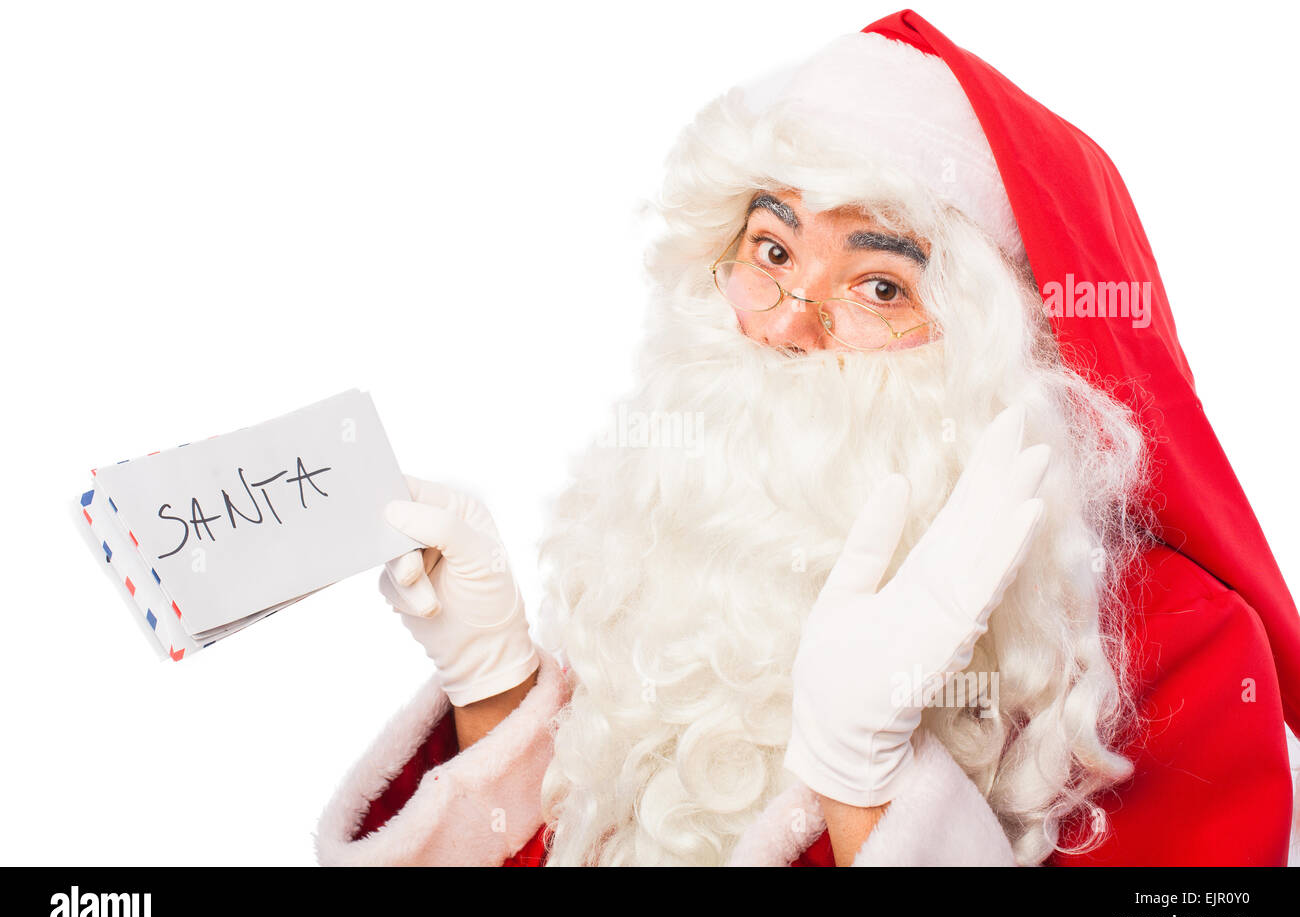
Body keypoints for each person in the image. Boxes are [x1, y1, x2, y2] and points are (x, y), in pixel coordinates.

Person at [315, 11, 1300, 866]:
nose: (787, 324)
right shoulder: (680, 562)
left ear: (1001, 356)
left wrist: (868, 783)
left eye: (878, 285)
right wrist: (495, 690)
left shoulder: (1185, 649)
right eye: (772, 250)